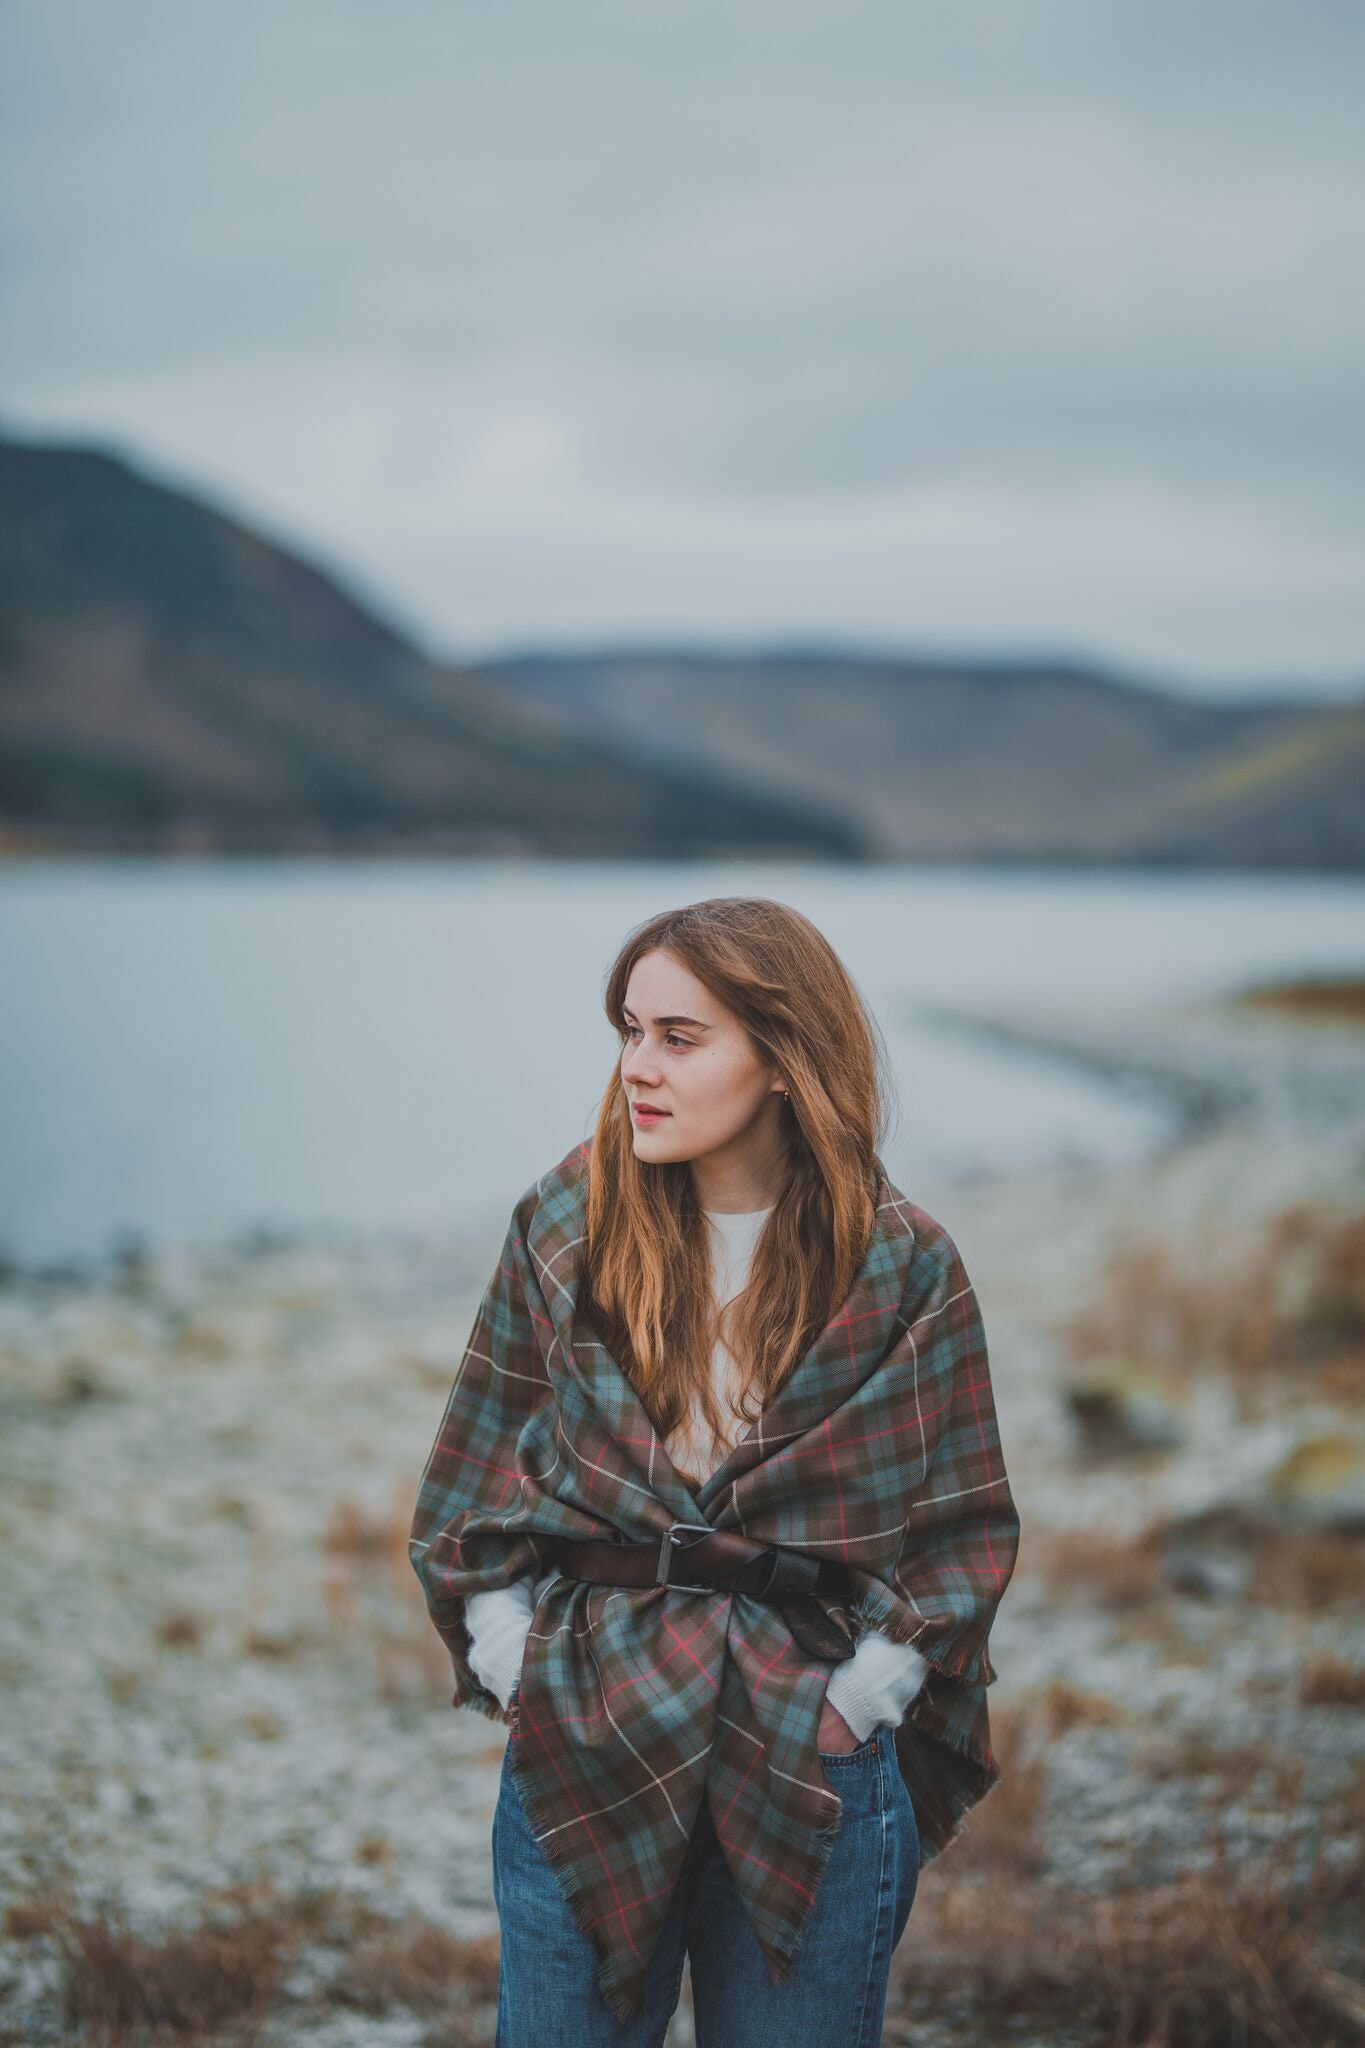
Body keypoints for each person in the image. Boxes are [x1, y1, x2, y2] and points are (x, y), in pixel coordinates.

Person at [409, 896, 1020, 2047]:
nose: (638, 1067)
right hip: (589, 1722)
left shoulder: (902, 1264)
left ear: (784, 1056)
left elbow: (962, 1525)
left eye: (679, 1038)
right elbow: (473, 1479)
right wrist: (515, 1658)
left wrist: (857, 1702)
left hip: (809, 1746)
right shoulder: (565, 1223)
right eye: (628, 1031)